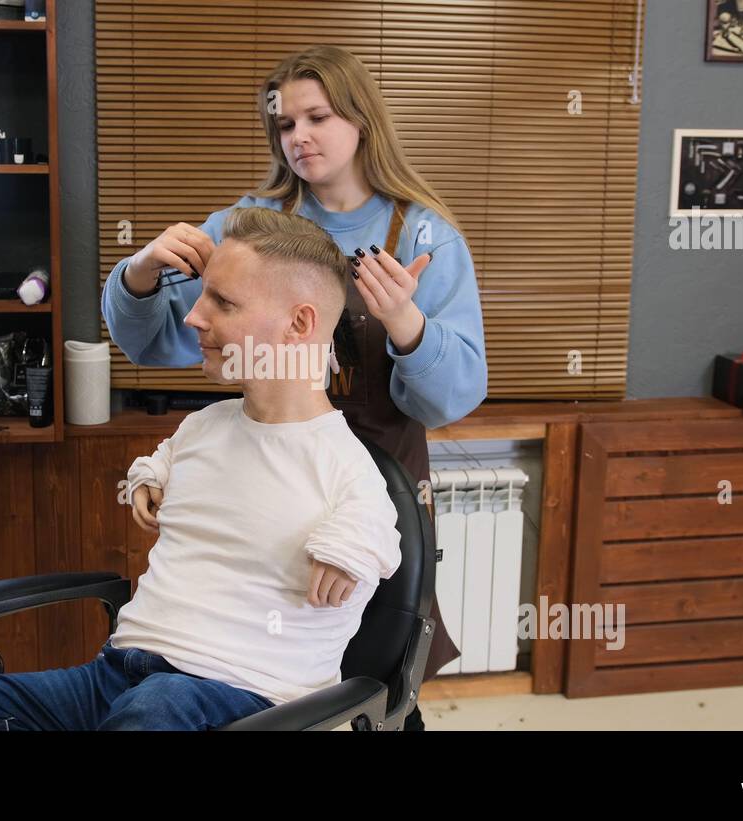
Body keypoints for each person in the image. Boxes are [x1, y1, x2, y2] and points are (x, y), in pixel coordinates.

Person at [101, 45, 488, 729]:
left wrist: (407, 325)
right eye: (284, 124)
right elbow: (160, 337)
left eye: (318, 117)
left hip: (375, 485)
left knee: (374, 676)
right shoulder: (246, 225)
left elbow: (450, 397)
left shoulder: (425, 235)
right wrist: (136, 274)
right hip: (266, 487)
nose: (299, 137)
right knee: (254, 679)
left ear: (361, 120)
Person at [0, 207, 401, 730]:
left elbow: (380, 533)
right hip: (118, 677)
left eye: (222, 302)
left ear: (300, 324)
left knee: (154, 708)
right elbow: (160, 463)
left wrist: (350, 549)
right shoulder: (203, 427)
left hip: (241, 699)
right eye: (202, 297)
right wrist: (146, 478)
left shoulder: (348, 466)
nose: (194, 318)